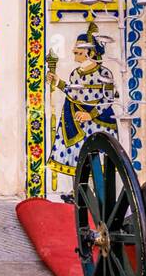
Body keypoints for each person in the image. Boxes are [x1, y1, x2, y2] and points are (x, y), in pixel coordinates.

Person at [47, 21, 118, 178]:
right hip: (79, 121)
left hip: (99, 122)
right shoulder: (76, 74)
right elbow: (74, 95)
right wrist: (58, 82)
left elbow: (108, 99)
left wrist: (90, 115)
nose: (74, 52)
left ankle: (100, 198)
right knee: (80, 162)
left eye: (78, 52)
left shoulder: (104, 73)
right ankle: (79, 194)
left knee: (98, 165)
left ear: (91, 53)